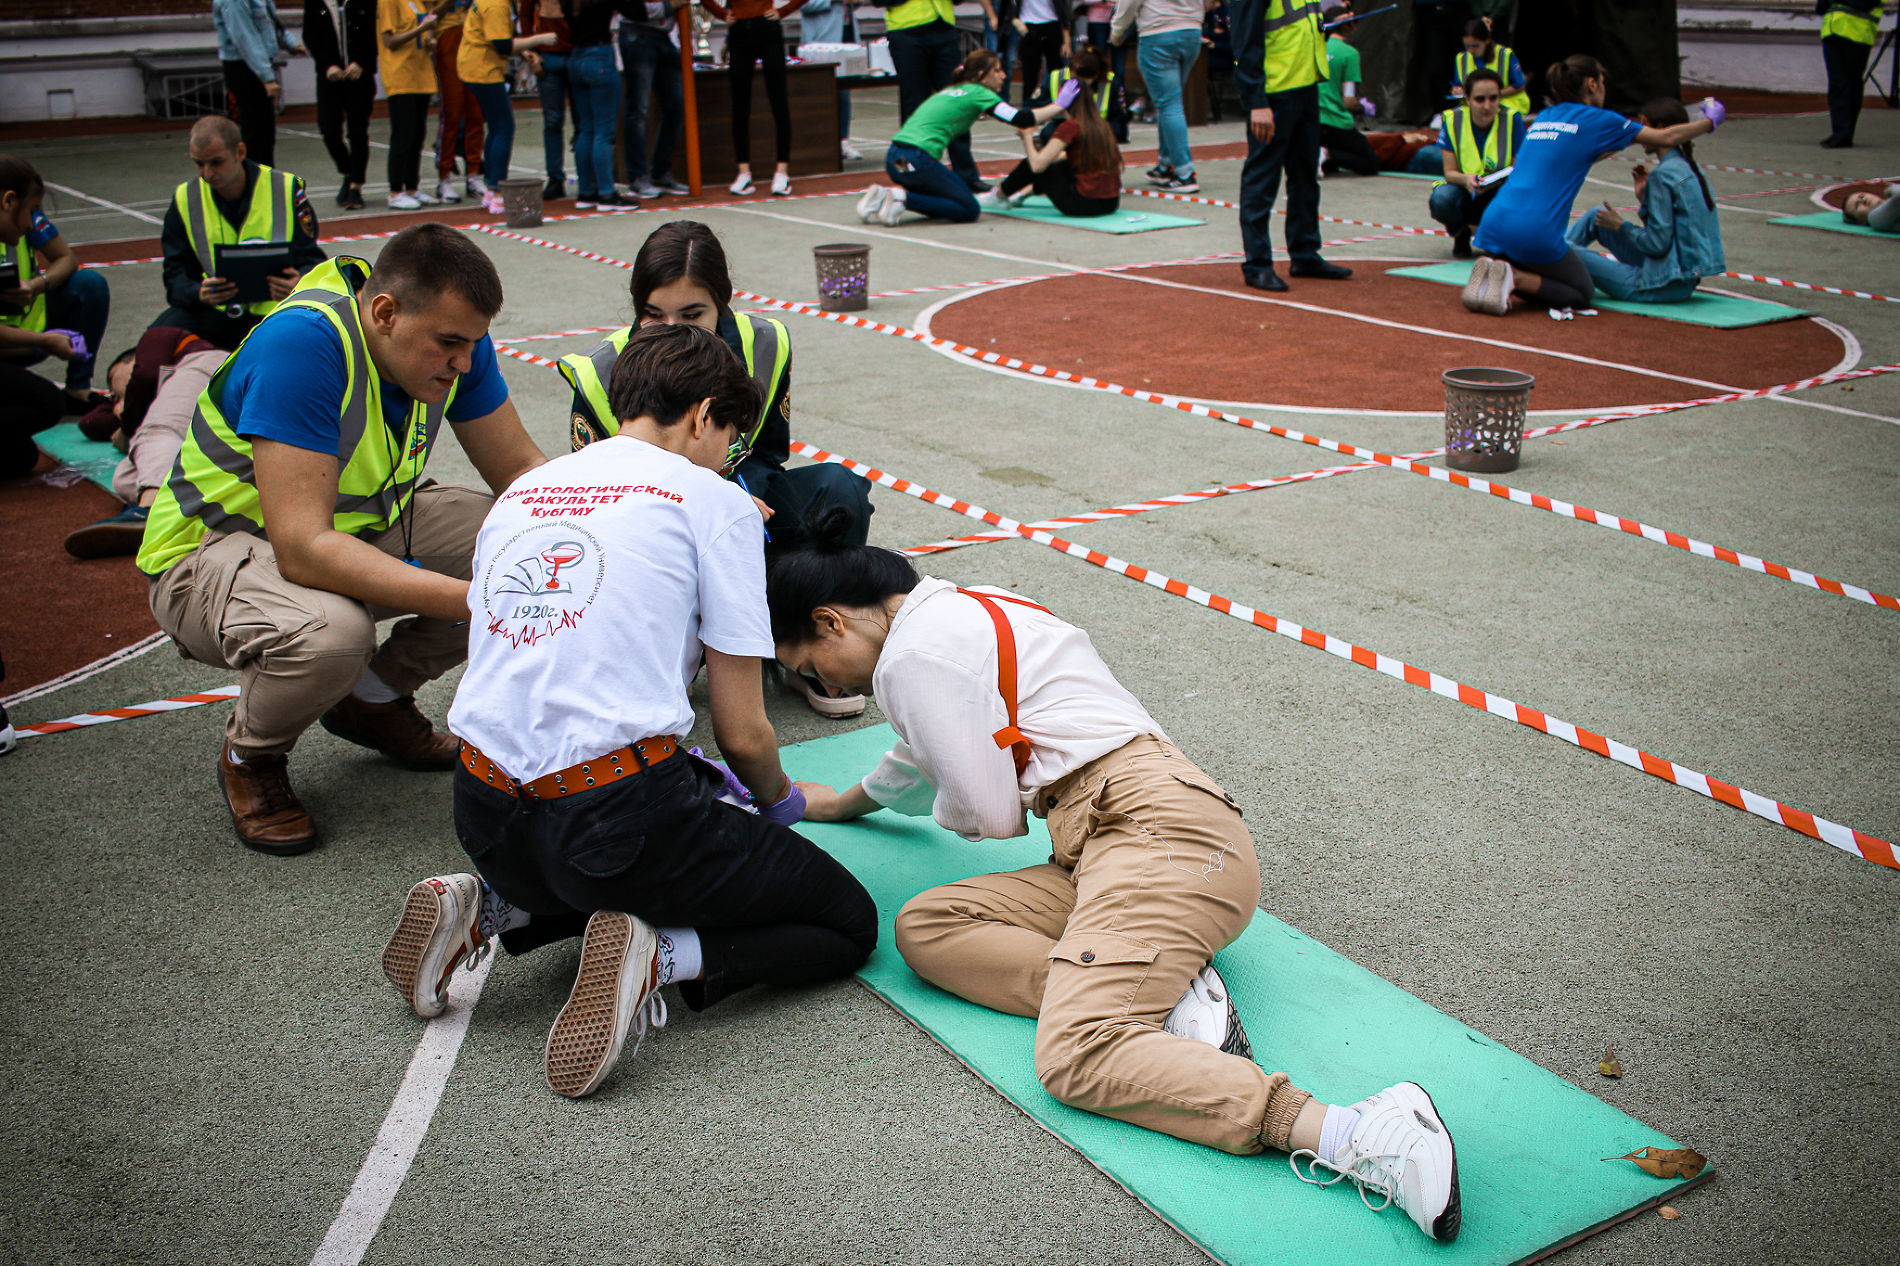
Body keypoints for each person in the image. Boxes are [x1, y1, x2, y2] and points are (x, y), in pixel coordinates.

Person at [767, 527, 1463, 1245]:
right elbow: (921, 756)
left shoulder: (908, 660)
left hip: (1157, 840)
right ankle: (1163, 994)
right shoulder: (969, 605)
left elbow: (983, 809)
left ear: (830, 621)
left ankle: (1357, 1131)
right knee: (930, 925)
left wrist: (953, 783)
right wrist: (838, 803)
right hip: (1123, 837)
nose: (828, 686)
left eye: (813, 667)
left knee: (1077, 1054)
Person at [379, 321, 878, 1100]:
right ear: (704, 413)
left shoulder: (528, 490)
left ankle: (494, 906)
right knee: (846, 920)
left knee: (628, 822)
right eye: (733, 439)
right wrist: (778, 804)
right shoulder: (714, 502)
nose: (731, 458)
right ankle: (660, 956)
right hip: (612, 826)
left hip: (483, 811)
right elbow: (743, 733)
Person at [135, 223, 548, 855]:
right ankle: (254, 756)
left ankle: (371, 702)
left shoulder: (456, 340)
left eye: (473, 344)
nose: (464, 362)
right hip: (210, 553)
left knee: (534, 549)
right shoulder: (304, 343)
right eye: (449, 344)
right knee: (333, 635)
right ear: (384, 313)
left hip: (350, 527)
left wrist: (606, 529)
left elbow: (522, 473)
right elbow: (303, 546)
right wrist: (482, 601)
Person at [558, 219, 874, 716]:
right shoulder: (601, 370)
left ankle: (804, 651)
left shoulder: (765, 342)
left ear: (722, 303)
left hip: (748, 485)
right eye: (653, 315)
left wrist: (733, 493)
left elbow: (768, 450)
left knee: (839, 491)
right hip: (648, 522)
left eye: (692, 313)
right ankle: (672, 656)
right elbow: (596, 500)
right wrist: (705, 499)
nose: (673, 330)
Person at [1464, 56, 1722, 316]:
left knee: (1581, 230)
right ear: (1592, 84)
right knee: (1580, 292)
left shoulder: (1546, 117)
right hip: (1534, 233)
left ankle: (1502, 270)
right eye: (1602, 82)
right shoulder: (1600, 119)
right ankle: (1514, 276)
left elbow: (1584, 153)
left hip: (1494, 224)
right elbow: (1667, 137)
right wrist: (1710, 121)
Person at [154, 116, 327, 349]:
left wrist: (299, 283)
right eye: (199, 163)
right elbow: (175, 273)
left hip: (275, 314)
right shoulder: (186, 198)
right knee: (156, 340)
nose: (207, 173)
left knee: (321, 335)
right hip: (214, 314)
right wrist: (198, 293)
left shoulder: (285, 189)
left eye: (216, 162)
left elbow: (313, 261)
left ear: (240, 151)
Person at [856, 50, 1071, 226]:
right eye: (997, 70)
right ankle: (902, 199)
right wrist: (1059, 105)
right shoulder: (979, 92)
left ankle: (883, 196)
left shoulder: (954, 90)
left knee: (947, 202)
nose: (1004, 76)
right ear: (980, 75)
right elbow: (1021, 118)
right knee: (968, 209)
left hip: (896, 159)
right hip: (916, 160)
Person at [65, 337, 228, 559]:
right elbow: (92, 424)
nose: (116, 398)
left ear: (129, 361)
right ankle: (197, 510)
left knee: (157, 430)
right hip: (212, 396)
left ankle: (148, 512)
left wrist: (128, 417)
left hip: (208, 363)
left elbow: (145, 375)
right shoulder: (153, 401)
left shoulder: (162, 338)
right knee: (125, 476)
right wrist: (121, 409)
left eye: (114, 382)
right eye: (112, 397)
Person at [1232, 0, 1352, 291]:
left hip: (1305, 86)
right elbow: (1245, 42)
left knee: (1305, 176)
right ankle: (1257, 264)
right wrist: (1256, 101)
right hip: (1275, 94)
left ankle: (1305, 253)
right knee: (1262, 181)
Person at [1563, 97, 1725, 304]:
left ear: (1658, 128)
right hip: (1680, 276)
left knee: (1566, 251)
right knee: (1596, 215)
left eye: (1644, 124)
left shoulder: (1662, 176)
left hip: (1658, 284)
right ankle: (1555, 264)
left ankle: (1549, 265)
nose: (1641, 132)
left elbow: (1656, 243)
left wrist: (1622, 227)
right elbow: (1672, 232)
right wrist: (1645, 200)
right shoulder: (1689, 169)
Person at [0, 155, 113, 415]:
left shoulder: (22, 218)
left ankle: (78, 388)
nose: (31, 223)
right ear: (9, 201)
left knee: (89, 284)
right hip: (14, 342)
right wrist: (46, 341)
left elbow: (66, 258)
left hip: (26, 332)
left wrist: (34, 286)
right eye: (31, 210)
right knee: (44, 405)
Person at [982, 48, 1122, 216]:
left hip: (1081, 204)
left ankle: (998, 196)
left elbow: (1037, 165)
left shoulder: (1071, 127)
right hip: (1110, 203)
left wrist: (1027, 136)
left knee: (1039, 163)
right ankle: (1020, 195)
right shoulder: (1101, 125)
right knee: (1056, 161)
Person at [460, 0, 561, 214]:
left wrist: (524, 51)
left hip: (477, 66)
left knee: (496, 127)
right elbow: (502, 45)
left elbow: (501, 39)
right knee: (504, 127)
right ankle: (497, 191)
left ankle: (490, 187)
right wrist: (539, 39)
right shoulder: (497, 5)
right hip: (483, 70)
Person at [531, 0, 628, 210]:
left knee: (586, 129)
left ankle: (586, 191)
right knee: (603, 131)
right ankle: (606, 193)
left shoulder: (570, 5)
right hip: (598, 54)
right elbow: (633, 9)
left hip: (577, 55)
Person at [704, 0, 805, 196]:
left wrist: (784, 11)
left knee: (779, 100)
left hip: (766, 27)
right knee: (740, 105)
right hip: (739, 30)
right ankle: (743, 171)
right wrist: (721, 14)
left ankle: (782, 171)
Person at [885, 0, 987, 192]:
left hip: (943, 29)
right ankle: (910, 175)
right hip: (906, 31)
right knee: (913, 107)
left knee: (957, 102)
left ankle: (967, 176)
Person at [1427, 67, 1525, 257]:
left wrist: (1492, 183)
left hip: (1499, 190)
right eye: (1480, 99)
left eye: (1494, 98)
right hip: (1465, 189)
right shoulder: (1452, 120)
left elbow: (1517, 168)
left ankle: (1496, 236)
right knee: (1442, 198)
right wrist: (1467, 180)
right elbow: (1450, 173)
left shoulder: (1512, 120)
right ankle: (1460, 232)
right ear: (1467, 99)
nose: (1488, 105)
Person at [1111, 0, 1199, 192]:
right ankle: (1166, 164)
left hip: (1158, 32)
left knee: (1168, 104)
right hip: (1192, 31)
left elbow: (1129, 3)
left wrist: (1117, 30)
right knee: (1171, 103)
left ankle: (1185, 173)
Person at [306, 0, 379, 210]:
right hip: (330, 78)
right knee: (328, 128)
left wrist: (362, 63)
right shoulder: (317, 3)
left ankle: (356, 185)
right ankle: (347, 171)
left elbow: (373, 32)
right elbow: (309, 36)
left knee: (358, 131)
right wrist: (326, 65)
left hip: (359, 78)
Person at [214, 0, 304, 168]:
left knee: (266, 135)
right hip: (244, 68)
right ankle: (253, 184)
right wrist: (267, 77)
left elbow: (270, 22)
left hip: (256, 66)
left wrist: (291, 44)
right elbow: (245, 38)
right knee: (254, 137)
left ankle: (266, 179)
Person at [378, 0, 447, 209]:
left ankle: (412, 187)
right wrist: (421, 29)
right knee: (403, 134)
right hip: (401, 75)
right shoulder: (389, 2)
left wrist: (428, 40)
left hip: (420, 74)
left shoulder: (417, 2)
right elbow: (390, 40)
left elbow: (423, 32)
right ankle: (395, 190)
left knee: (417, 135)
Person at [620, 0, 693, 197]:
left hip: (663, 36)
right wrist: (672, 5)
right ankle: (637, 177)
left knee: (676, 108)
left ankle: (661, 171)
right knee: (638, 109)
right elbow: (633, 9)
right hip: (637, 34)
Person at [1315, 5, 1380, 177]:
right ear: (1346, 26)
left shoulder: (1315, 48)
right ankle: (1325, 154)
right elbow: (1348, 100)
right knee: (1370, 163)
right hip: (1335, 122)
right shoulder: (1349, 54)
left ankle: (1321, 155)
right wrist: (1363, 108)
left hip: (1312, 120)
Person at [519, 0, 575, 201]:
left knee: (583, 122)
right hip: (548, 56)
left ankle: (588, 179)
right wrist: (530, 51)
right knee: (553, 121)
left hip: (576, 53)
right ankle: (555, 178)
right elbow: (525, 12)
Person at [432, 0, 485, 202]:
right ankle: (444, 178)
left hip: (475, 35)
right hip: (449, 35)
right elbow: (430, 15)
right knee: (452, 111)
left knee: (476, 112)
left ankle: (474, 173)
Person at [800, 0, 865, 161]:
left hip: (846, 34)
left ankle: (843, 141)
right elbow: (803, 5)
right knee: (818, 95)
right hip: (821, 40)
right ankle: (816, 143)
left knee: (844, 92)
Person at [1820, 1, 1885, 148]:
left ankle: (1844, 133)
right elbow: (1822, 6)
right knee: (1838, 83)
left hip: (1858, 32)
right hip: (1832, 31)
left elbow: (1864, 3)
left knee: (1850, 82)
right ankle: (1840, 132)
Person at [1452, 17, 1527, 114]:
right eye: (1467, 46)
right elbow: (1457, 85)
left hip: (1506, 103)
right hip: (1473, 107)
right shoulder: (1461, 58)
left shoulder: (1504, 55)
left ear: (1487, 40)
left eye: (1475, 46)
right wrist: (1457, 90)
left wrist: (1493, 95)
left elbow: (1519, 86)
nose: (1471, 50)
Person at [1015, 0, 1074, 118]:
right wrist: (1015, 21)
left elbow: (1063, 11)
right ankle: (1028, 114)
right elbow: (1007, 8)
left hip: (1052, 26)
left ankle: (1058, 110)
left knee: (1057, 73)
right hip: (1028, 27)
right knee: (1029, 75)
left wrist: (1066, 42)